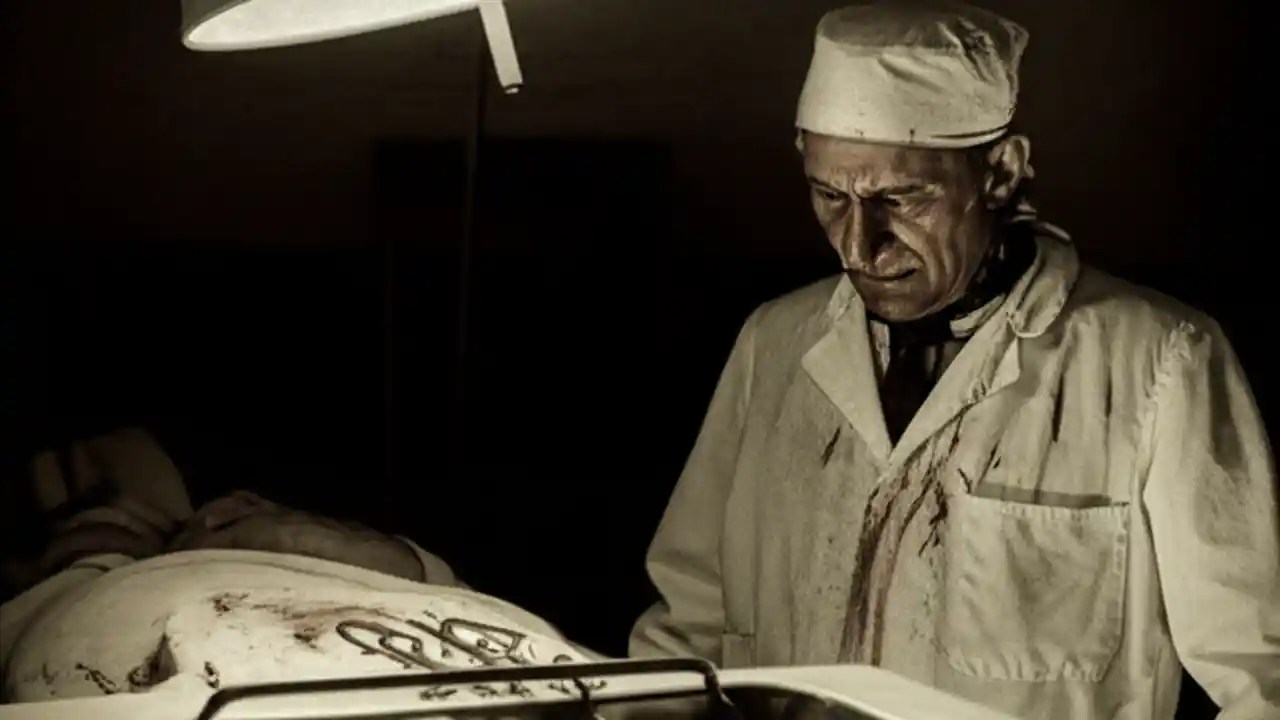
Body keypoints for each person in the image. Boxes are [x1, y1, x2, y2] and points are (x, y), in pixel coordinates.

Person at [628, 3, 1280, 719]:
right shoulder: (775, 341)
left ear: (1001, 172)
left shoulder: (1159, 361)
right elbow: (684, 639)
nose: (857, 246)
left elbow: (1263, 679)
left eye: (900, 198)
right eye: (828, 195)